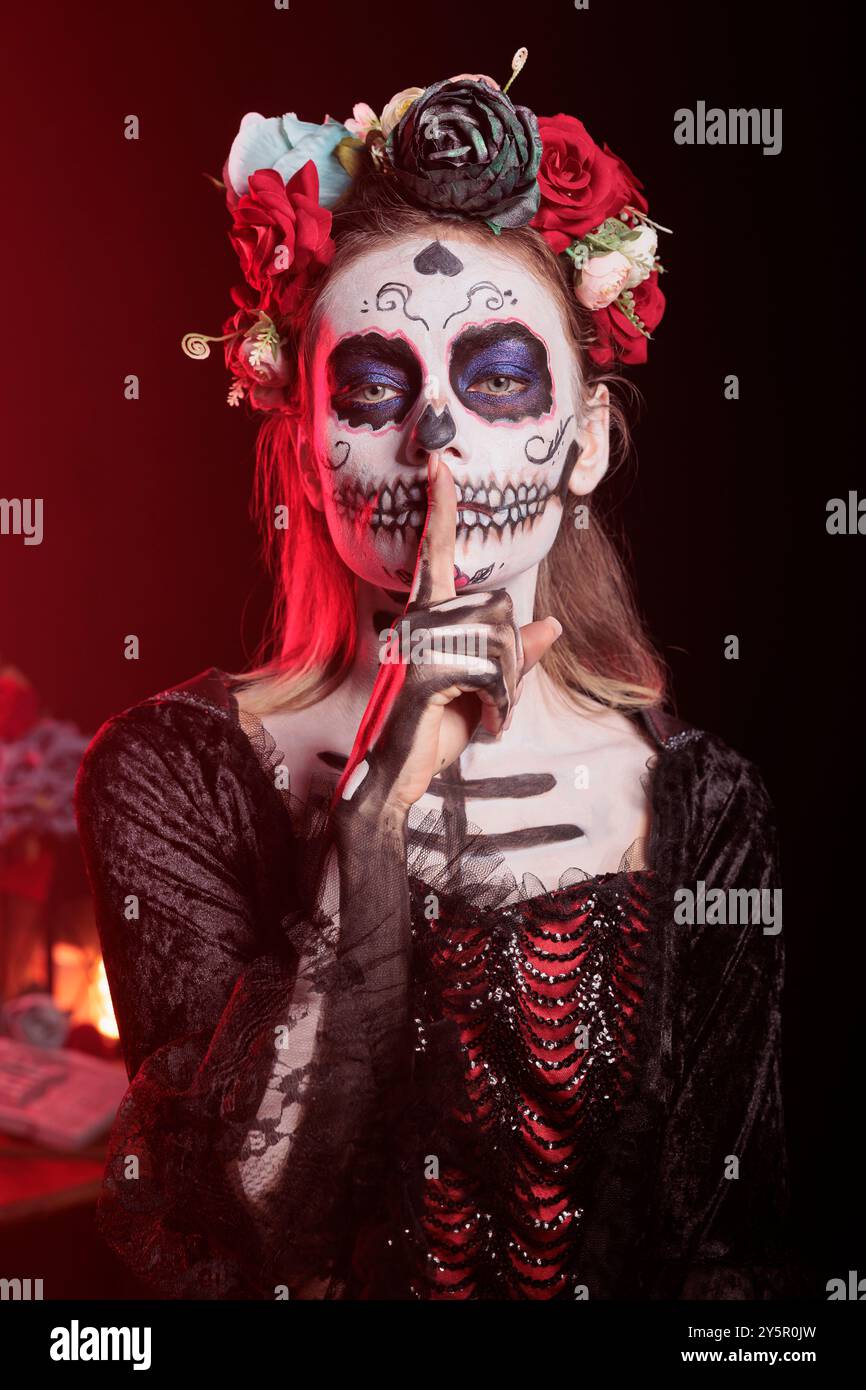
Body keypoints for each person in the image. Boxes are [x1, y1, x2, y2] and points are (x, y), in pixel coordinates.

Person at [74, 63, 791, 1300]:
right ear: (305, 446)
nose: (436, 436)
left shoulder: (708, 803)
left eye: (497, 376)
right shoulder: (168, 772)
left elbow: (733, 1269)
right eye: (372, 387)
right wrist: (370, 814)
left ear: (585, 441)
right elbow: (232, 1233)